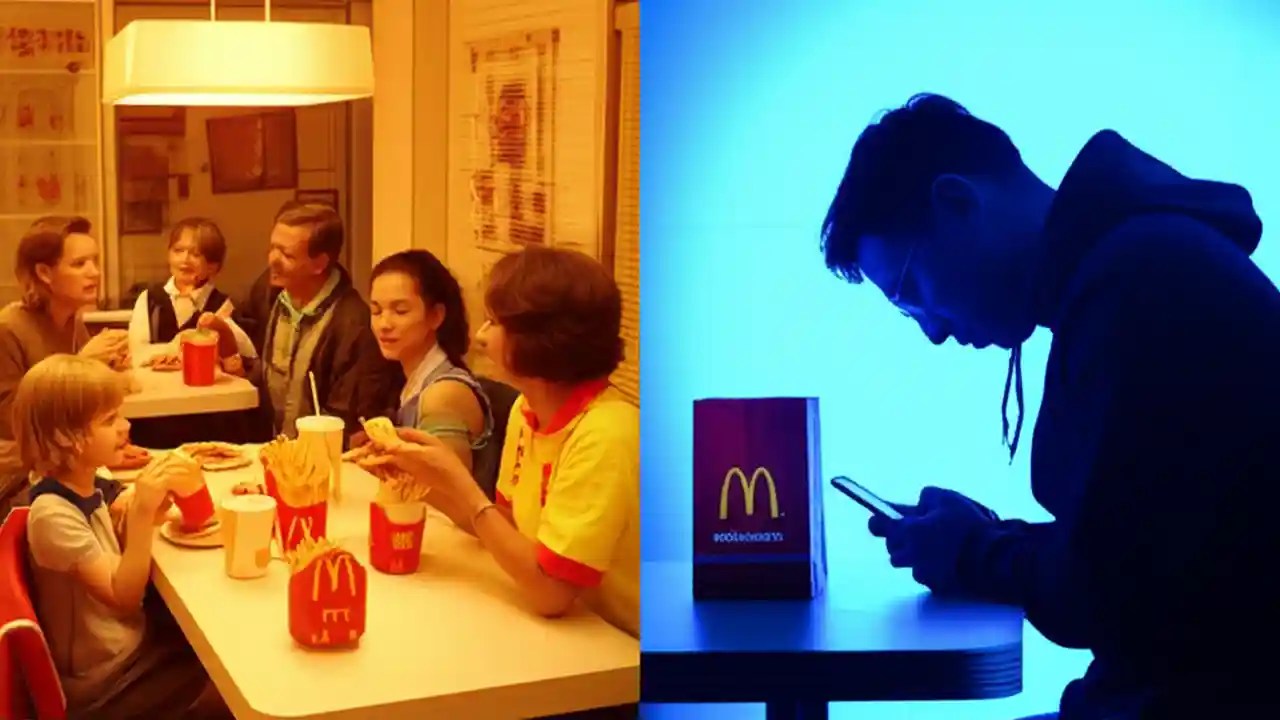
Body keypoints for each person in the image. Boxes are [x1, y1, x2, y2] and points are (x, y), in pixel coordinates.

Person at [820, 93, 1280, 719]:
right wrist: (983, 537)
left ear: (958, 202)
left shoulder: (1136, 284)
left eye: (911, 292)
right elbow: (1136, 551)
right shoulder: (1140, 264)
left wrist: (969, 551)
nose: (931, 331)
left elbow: (1105, 596)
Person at [360, 246, 640, 642]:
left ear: (540, 339)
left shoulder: (606, 432)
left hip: (623, 654)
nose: (479, 335)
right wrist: (421, 477)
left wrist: (459, 483)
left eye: (494, 322)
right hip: (569, 633)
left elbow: (551, 592)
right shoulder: (528, 409)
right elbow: (506, 529)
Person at [15, 354, 230, 718]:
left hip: (124, 651)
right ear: (65, 438)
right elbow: (124, 596)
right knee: (225, 675)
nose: (125, 426)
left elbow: (111, 544)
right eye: (109, 419)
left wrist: (142, 512)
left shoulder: (82, 485)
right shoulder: (52, 513)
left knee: (219, 636)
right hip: (105, 682)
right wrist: (143, 514)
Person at [0, 217, 129, 515]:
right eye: (79, 264)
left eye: (95, 261)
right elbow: (14, 421)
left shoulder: (72, 321)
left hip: (63, 467)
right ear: (44, 272)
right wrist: (83, 364)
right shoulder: (8, 328)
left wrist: (108, 373)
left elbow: (78, 411)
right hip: (20, 485)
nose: (94, 273)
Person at [250, 202, 400, 445]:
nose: (273, 261)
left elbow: (349, 420)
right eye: (273, 248)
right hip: (276, 448)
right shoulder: (269, 293)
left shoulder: (355, 326)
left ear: (319, 263)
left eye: (286, 254)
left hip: (325, 460)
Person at [367, 249, 498, 487]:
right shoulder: (405, 377)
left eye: (400, 311)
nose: (384, 324)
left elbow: (449, 493)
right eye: (376, 311)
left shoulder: (443, 395)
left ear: (436, 316)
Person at [127, 217, 256, 374]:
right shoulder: (149, 299)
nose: (185, 260)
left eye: (195, 254)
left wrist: (221, 325)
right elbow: (137, 352)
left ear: (212, 266)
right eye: (178, 251)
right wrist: (173, 347)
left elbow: (248, 354)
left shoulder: (222, 306)